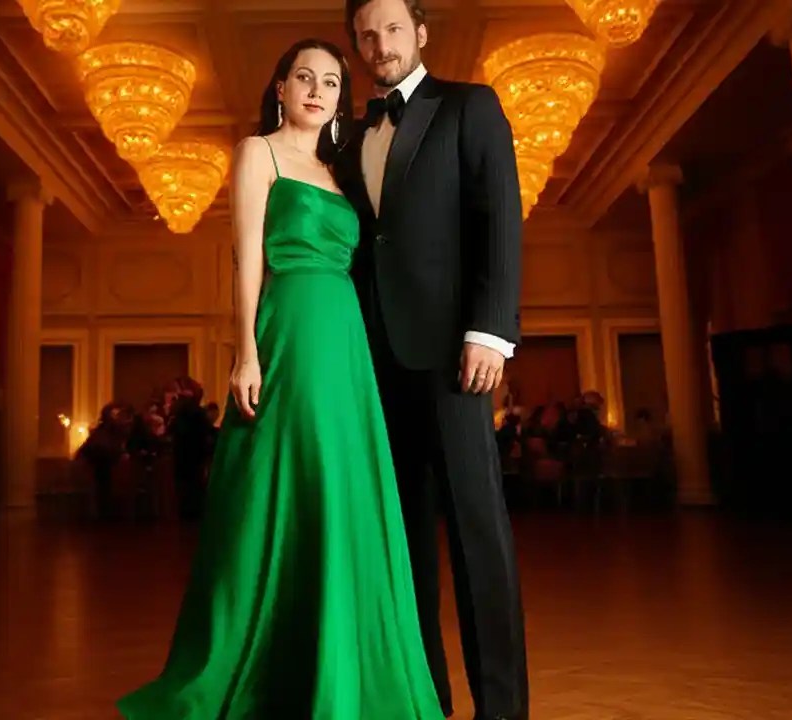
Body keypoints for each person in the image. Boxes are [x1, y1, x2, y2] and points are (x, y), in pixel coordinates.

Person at [116, 38, 444, 719]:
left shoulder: (341, 169)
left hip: (344, 338)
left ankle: (345, 664)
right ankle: (267, 659)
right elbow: (245, 262)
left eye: (330, 81)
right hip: (288, 325)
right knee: (288, 481)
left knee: (343, 487)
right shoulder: (257, 152)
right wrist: (246, 352)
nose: (319, 89)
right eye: (305, 77)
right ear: (281, 87)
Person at [335, 1, 529, 718]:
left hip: (454, 357)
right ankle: (425, 701)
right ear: (355, 45)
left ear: (419, 33)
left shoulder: (468, 106)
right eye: (364, 34)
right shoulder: (350, 135)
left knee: (479, 539)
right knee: (403, 547)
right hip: (374, 367)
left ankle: (503, 710)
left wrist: (490, 331)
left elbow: (498, 216)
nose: (378, 44)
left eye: (391, 29)